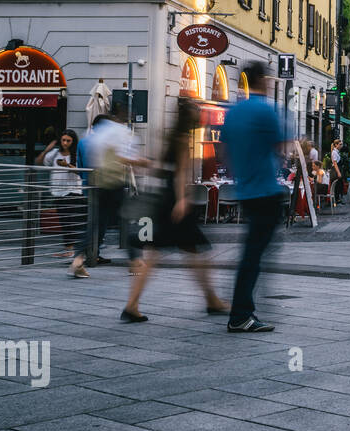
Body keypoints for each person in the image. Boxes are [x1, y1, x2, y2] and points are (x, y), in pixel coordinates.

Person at [120, 100, 230, 323]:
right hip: (176, 203)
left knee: (165, 253)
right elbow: (181, 174)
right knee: (197, 253)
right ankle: (212, 300)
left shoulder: (169, 137)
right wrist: (182, 200)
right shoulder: (183, 141)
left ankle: (132, 305)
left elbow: (162, 169)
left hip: (164, 200)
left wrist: (141, 163)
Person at [218, 62, 283, 333]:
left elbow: (224, 152)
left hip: (245, 189)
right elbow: (281, 147)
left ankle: (244, 305)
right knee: (255, 253)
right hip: (266, 190)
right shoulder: (265, 110)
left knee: (254, 251)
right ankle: (241, 312)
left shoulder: (233, 112)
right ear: (263, 80)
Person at [69, 108, 147, 279]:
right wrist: (142, 162)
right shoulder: (121, 132)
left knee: (95, 223)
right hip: (115, 182)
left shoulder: (95, 134)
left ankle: (78, 259)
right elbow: (123, 157)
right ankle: (135, 262)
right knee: (126, 219)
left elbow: (90, 158)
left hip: (97, 181)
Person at [41, 129, 82, 258]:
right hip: (58, 191)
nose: (65, 143)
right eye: (63, 140)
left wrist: (67, 165)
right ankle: (70, 250)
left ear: (73, 142)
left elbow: (81, 172)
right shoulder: (54, 154)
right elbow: (40, 162)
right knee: (64, 221)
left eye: (68, 141)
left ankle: (72, 250)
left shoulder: (77, 154)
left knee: (71, 221)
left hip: (73, 191)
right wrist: (46, 150)